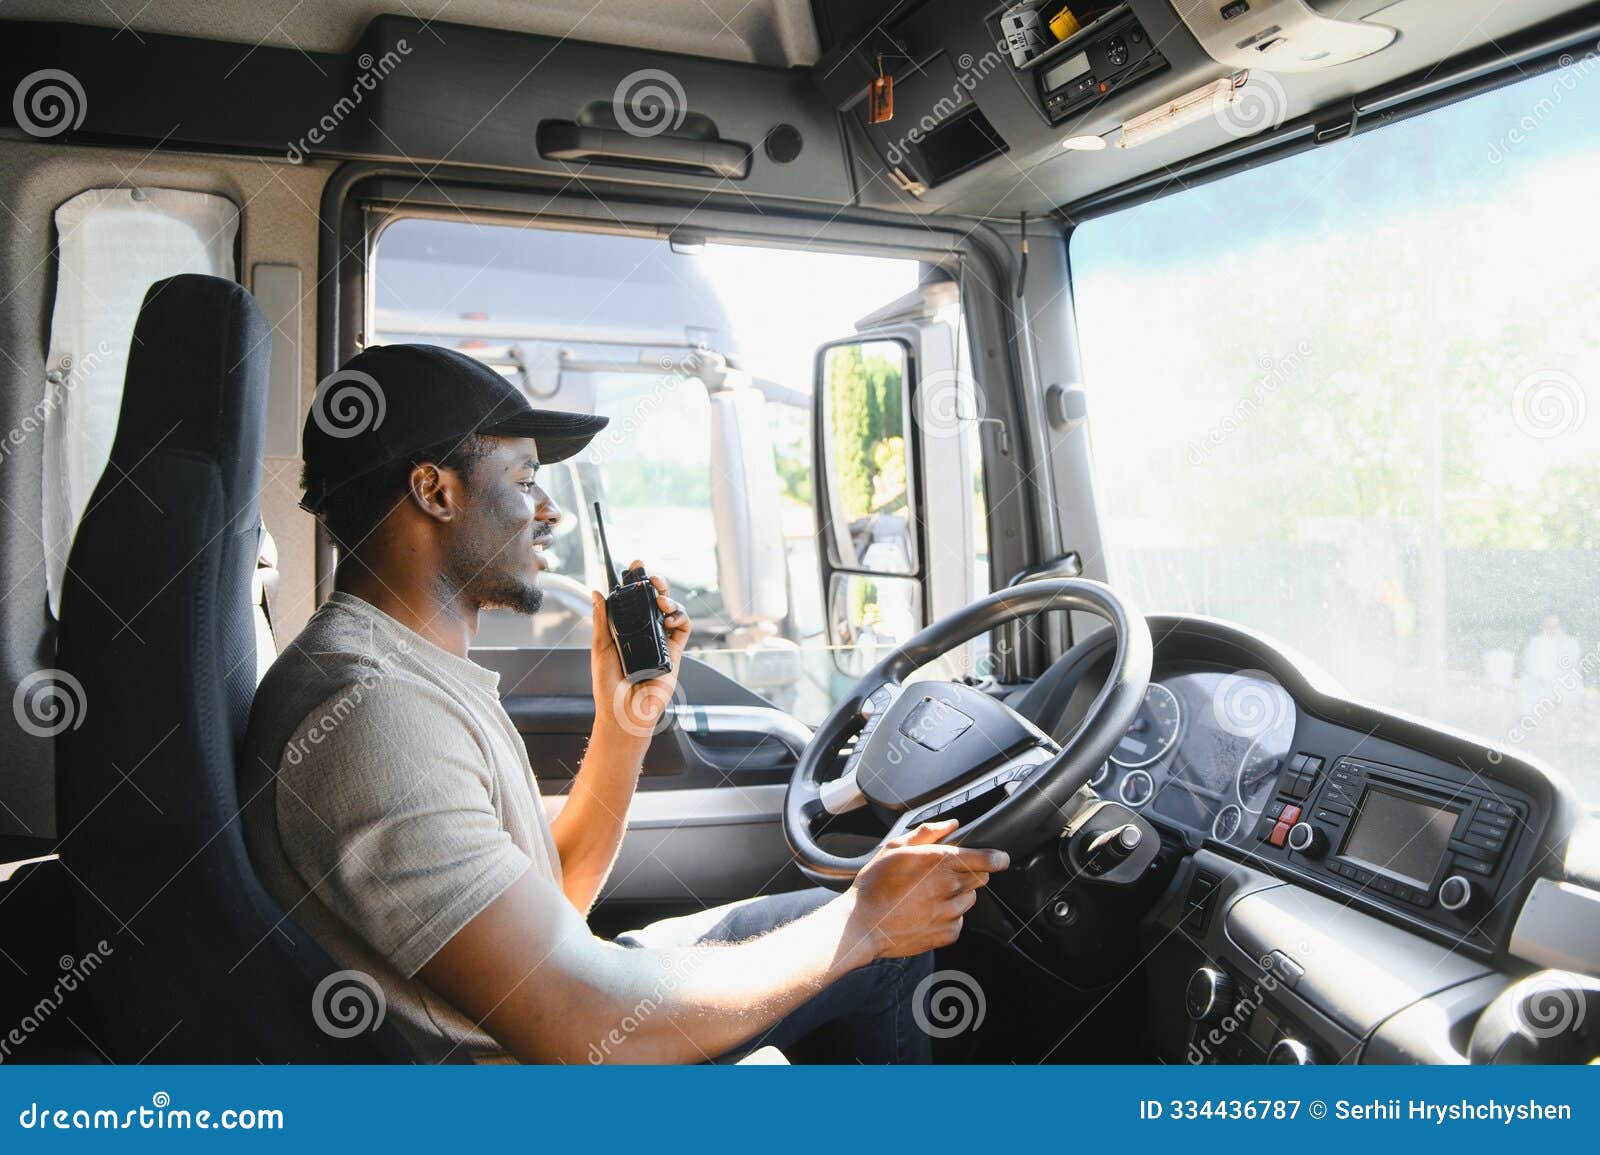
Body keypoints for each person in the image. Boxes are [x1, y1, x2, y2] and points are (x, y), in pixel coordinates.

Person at [239, 344, 1007, 1064]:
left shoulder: (409, 672)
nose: (551, 512)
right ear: (435, 491)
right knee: (872, 953)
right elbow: (580, 1022)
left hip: (557, 1013)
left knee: (831, 926)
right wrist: (865, 924)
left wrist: (624, 722)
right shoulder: (378, 718)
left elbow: (554, 896)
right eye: (525, 480)